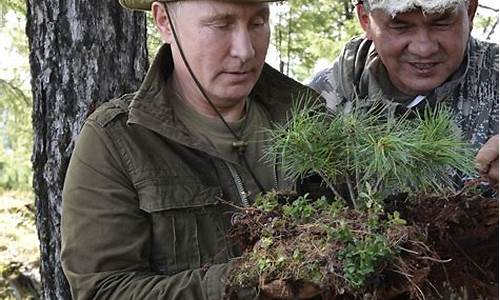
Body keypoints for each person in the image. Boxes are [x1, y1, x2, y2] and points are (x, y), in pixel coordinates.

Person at [60, 0, 318, 299]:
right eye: (221, 24)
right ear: (165, 22)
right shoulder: (118, 141)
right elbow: (104, 290)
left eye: (258, 23)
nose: (245, 50)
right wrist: (242, 281)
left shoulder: (309, 118)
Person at [309, 0, 499, 189]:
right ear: (365, 20)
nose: (423, 48)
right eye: (400, 25)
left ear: (470, 12)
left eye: (441, 23)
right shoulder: (321, 98)